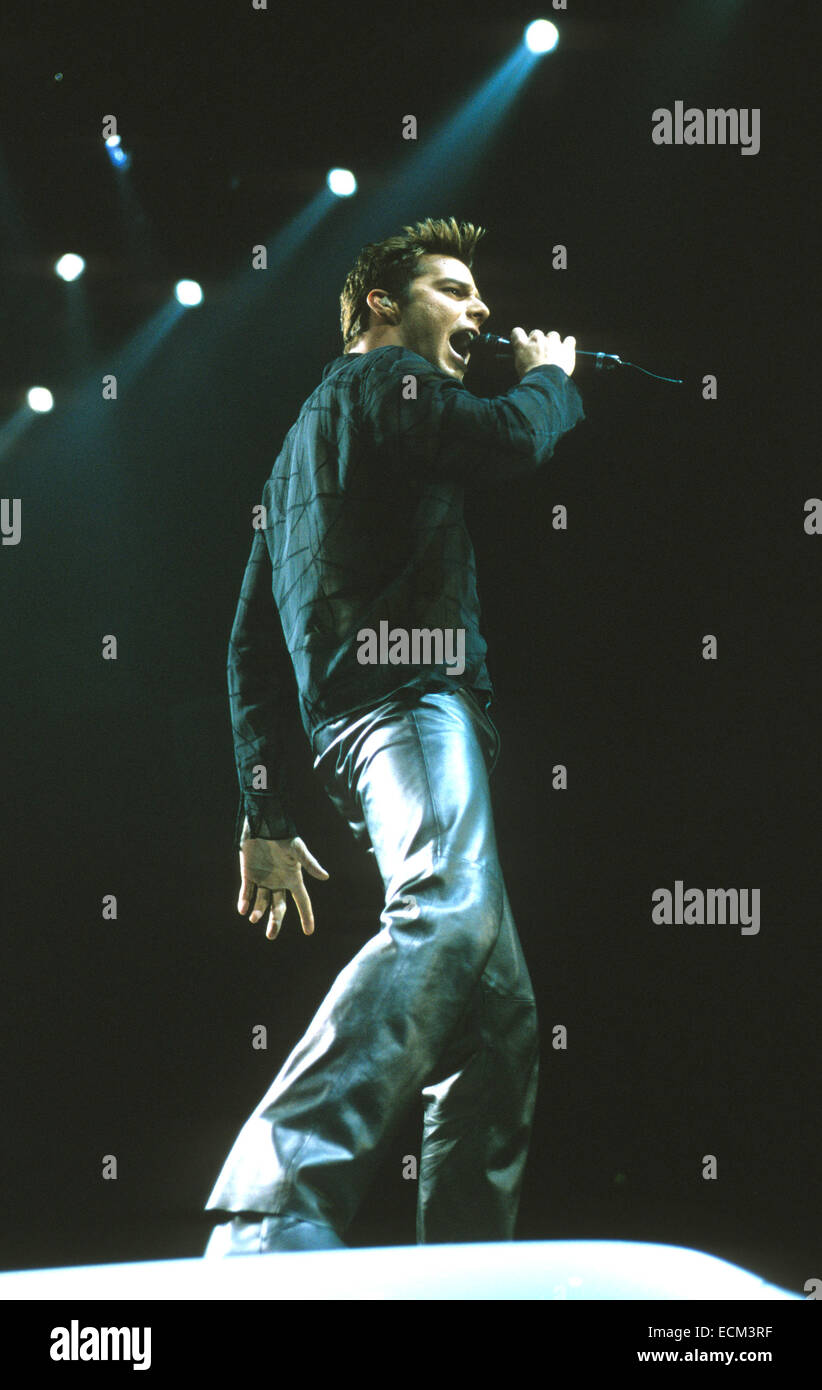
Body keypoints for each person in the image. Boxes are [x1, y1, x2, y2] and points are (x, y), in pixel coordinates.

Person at [203, 217, 584, 1256]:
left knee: (499, 1023)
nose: (482, 311)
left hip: (353, 729)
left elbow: (248, 644)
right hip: (408, 702)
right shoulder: (387, 386)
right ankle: (270, 1201)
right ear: (382, 304)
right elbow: (505, 438)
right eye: (454, 290)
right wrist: (553, 380)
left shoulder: (295, 450)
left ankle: (459, 1271)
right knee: (447, 911)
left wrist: (266, 810)